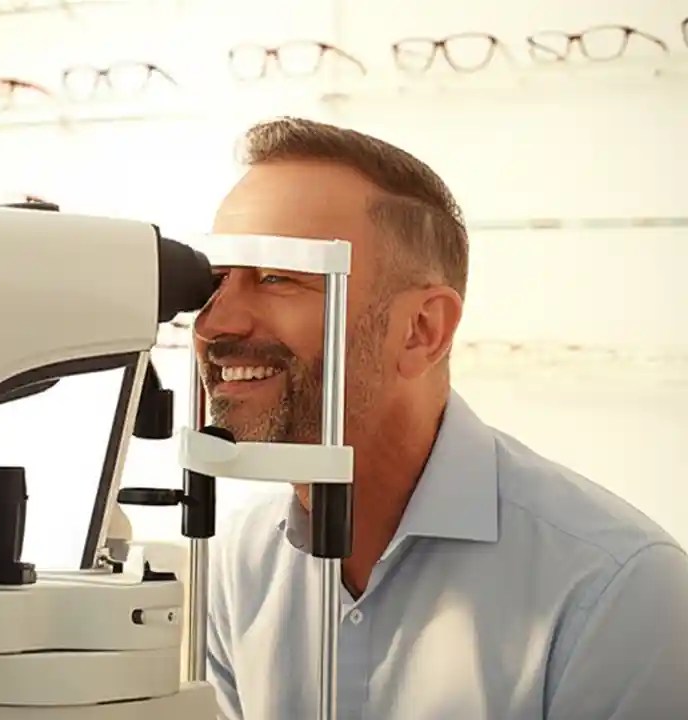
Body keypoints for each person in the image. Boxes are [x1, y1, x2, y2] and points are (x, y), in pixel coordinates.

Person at [198, 116, 688, 719]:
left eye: (278, 278)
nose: (216, 323)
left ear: (422, 331)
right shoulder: (236, 569)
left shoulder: (617, 593)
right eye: (216, 279)